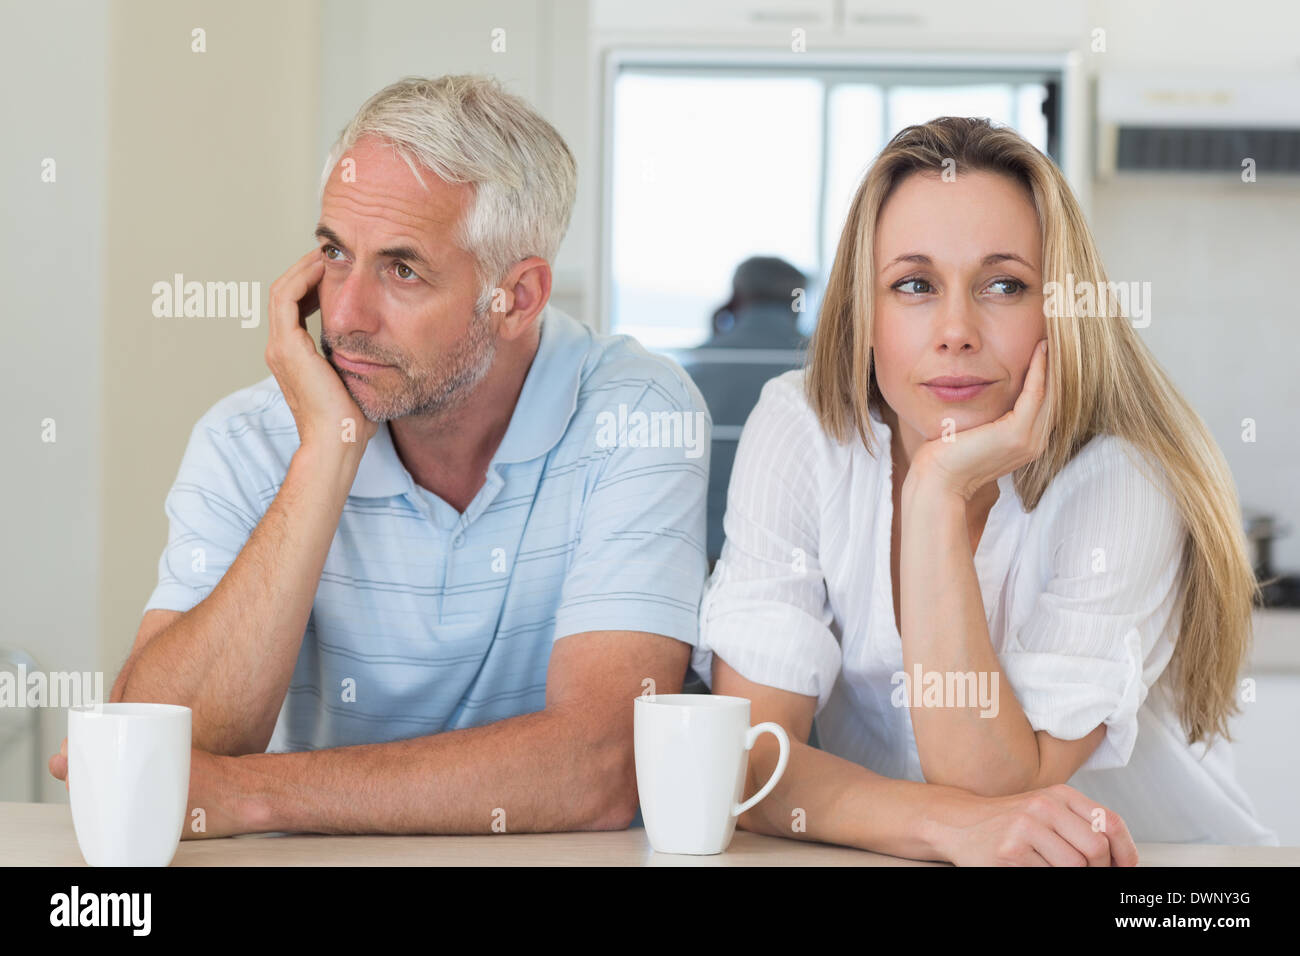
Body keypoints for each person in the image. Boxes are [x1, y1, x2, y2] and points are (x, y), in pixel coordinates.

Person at [49, 75, 709, 837]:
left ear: (517, 298)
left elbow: (600, 767)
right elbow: (153, 757)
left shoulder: (637, 415)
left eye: (402, 269)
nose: (345, 316)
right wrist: (326, 460)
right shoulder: (249, 438)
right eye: (334, 253)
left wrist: (257, 795)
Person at [691, 116, 1277, 864]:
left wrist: (935, 492)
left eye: (1004, 284)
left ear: (1060, 309)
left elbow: (994, 788)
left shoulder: (1124, 481)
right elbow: (751, 761)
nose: (956, 329)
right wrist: (939, 825)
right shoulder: (803, 429)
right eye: (914, 285)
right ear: (863, 316)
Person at [683, 257, 809, 564]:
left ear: (737, 298)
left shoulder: (694, 369)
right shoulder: (822, 367)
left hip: (705, 553)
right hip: (796, 555)